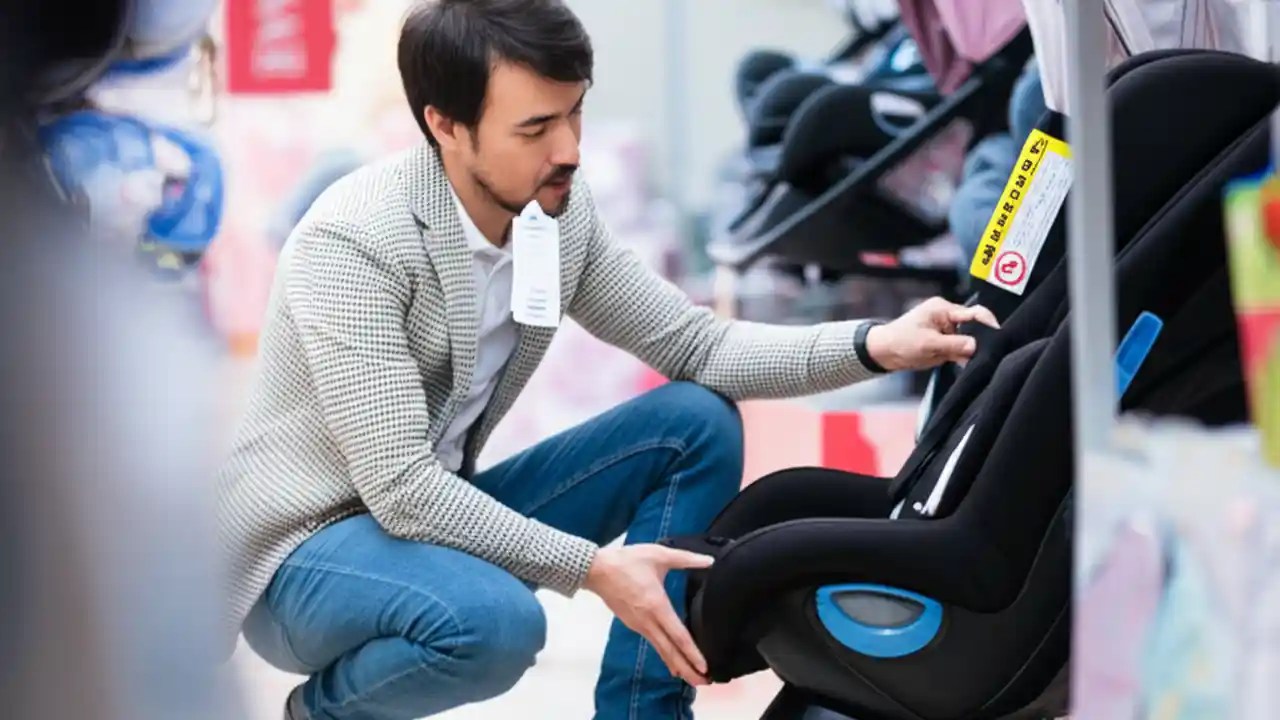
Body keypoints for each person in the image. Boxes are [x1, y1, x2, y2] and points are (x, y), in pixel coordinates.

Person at [216, 2, 999, 719]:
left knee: (693, 420)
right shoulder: (354, 244)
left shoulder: (552, 213)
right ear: (445, 125)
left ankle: (641, 714)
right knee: (494, 625)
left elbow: (698, 345)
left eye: (575, 112)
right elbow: (400, 490)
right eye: (535, 129)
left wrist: (875, 342)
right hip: (304, 558)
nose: (570, 149)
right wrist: (591, 567)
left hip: (427, 518)